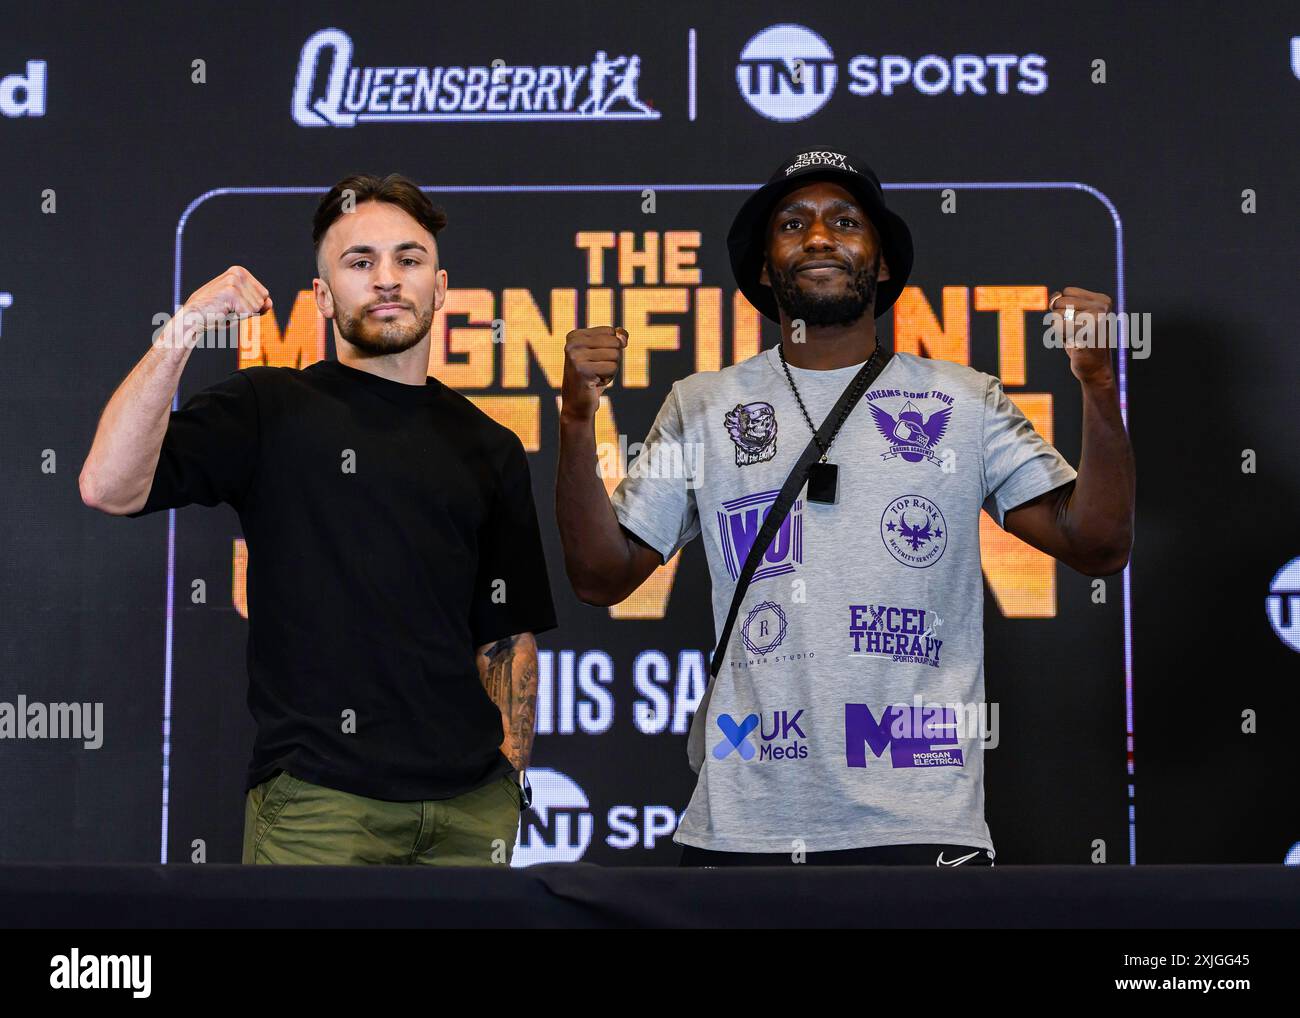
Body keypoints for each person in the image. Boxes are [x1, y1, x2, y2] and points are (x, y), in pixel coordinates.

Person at [556, 148, 1134, 866]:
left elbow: (1096, 543)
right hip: (743, 826)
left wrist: (1100, 385)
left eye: (845, 222)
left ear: (882, 262)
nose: (820, 237)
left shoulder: (964, 399)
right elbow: (600, 575)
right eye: (793, 224)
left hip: (922, 823)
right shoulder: (703, 406)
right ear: (765, 269)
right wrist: (577, 423)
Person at [80, 173, 557, 866]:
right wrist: (185, 326)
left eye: (409, 259)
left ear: (441, 285)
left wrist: (508, 780)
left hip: (468, 815)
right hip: (321, 808)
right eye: (360, 262)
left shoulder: (490, 445)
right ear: (324, 296)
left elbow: (506, 637)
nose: (388, 279)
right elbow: (108, 485)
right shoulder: (269, 407)